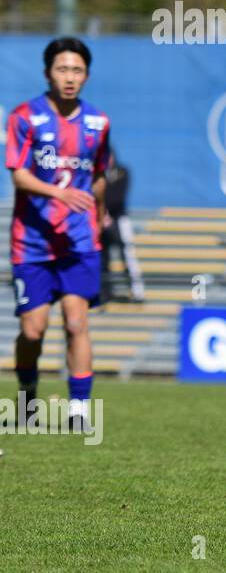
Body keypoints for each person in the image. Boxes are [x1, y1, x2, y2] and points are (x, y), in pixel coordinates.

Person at [5, 38, 110, 434]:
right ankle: (28, 394)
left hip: (80, 242)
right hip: (31, 242)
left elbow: (98, 175)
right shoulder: (24, 117)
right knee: (33, 329)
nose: (70, 78)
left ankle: (80, 409)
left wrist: (101, 213)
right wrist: (58, 193)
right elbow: (18, 174)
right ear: (48, 72)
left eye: (77, 70)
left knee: (76, 321)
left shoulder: (98, 123)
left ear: (86, 75)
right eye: (63, 69)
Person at [99, 144, 145, 302]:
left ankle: (137, 290)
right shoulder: (97, 174)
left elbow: (118, 197)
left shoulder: (122, 172)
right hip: (99, 219)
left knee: (127, 253)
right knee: (101, 256)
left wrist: (106, 213)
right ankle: (104, 292)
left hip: (118, 219)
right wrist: (100, 214)